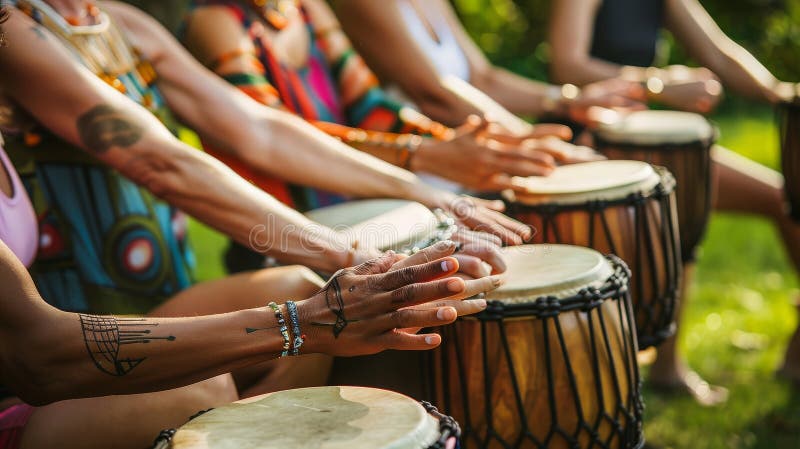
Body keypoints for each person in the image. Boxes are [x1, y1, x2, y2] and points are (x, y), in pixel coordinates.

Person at [0, 0, 524, 321]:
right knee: (316, 298)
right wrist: (350, 254)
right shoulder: (13, 30)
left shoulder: (124, 24)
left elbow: (260, 128)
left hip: (168, 296)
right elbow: (161, 163)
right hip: (77, 323)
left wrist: (424, 190)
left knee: (327, 304)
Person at [180, 0, 599, 273]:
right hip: (278, 237)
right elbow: (286, 138)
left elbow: (370, 107)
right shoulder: (215, 22)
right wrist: (423, 155)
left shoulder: (304, 8)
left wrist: (450, 145)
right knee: (448, 242)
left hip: (360, 207)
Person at [547, 0, 800, 399]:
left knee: (782, 199)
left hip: (648, 139)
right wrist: (657, 84)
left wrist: (780, 92)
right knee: (674, 222)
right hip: (583, 140)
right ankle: (666, 366)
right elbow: (567, 65)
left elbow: (718, 52)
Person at [332, 0, 645, 133]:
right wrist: (529, 138)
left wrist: (567, 100)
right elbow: (434, 96)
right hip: (425, 184)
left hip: (476, 166)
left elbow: (483, 78)